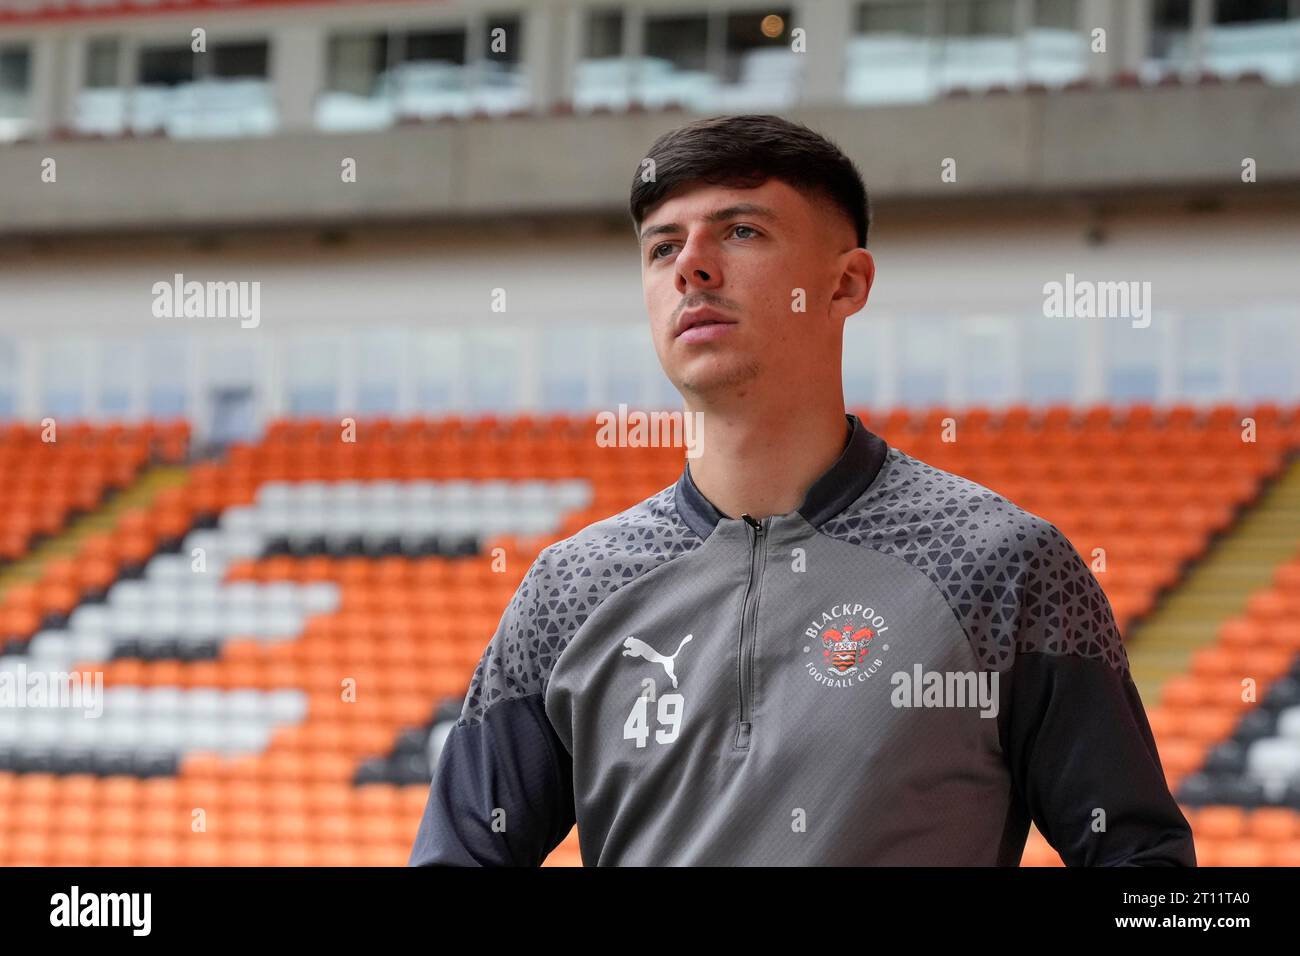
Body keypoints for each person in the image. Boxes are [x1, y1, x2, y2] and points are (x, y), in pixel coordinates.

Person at [409, 113, 1196, 866]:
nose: (691, 264)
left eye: (741, 231)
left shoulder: (1002, 567)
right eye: (661, 248)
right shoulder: (571, 588)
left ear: (846, 284)